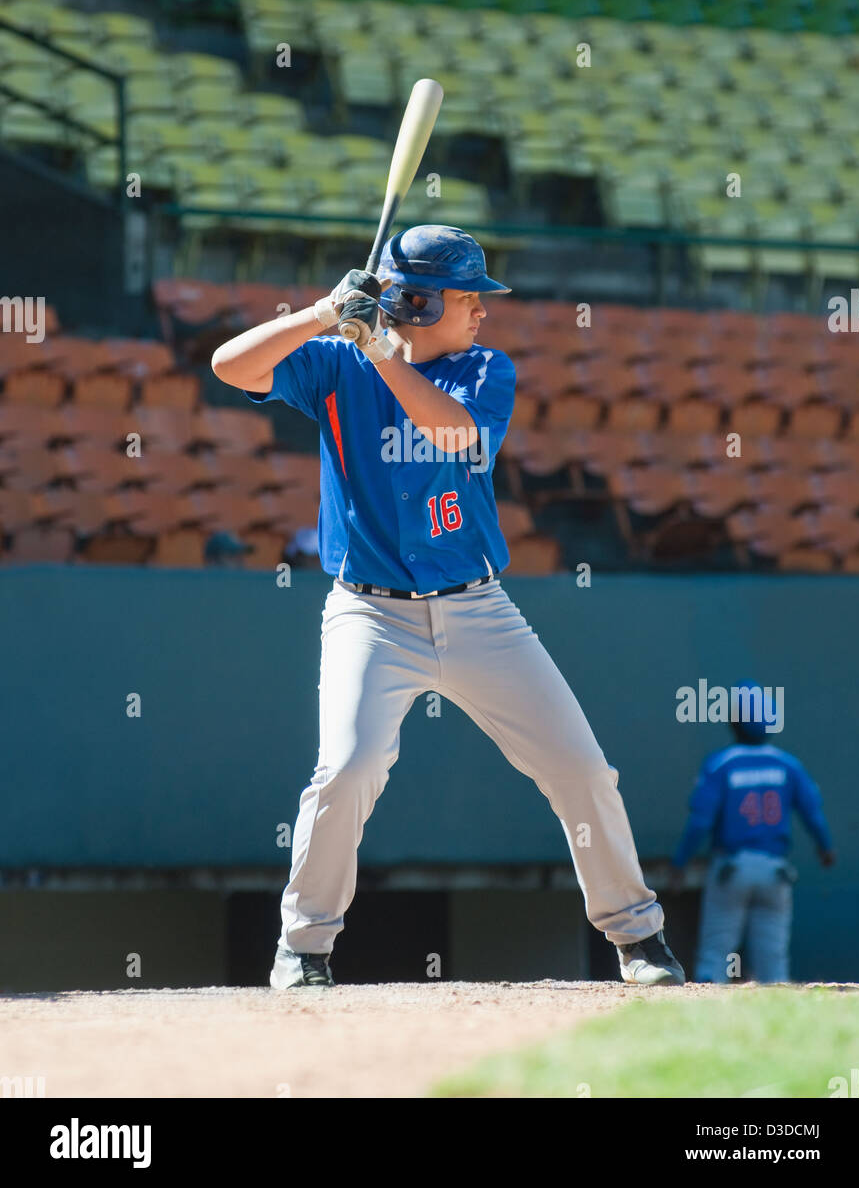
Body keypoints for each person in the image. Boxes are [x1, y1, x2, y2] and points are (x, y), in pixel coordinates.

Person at [212, 224, 685, 988]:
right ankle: (302, 948)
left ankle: (638, 939)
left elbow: (456, 435)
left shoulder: (483, 369)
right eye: (468, 298)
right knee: (347, 767)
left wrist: (381, 349)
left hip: (478, 612)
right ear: (418, 302)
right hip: (369, 614)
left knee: (581, 768)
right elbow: (227, 366)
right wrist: (325, 314)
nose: (482, 311)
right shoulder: (334, 363)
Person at [670, 679, 835, 983]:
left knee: (715, 957)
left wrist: (680, 863)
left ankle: (707, 1022)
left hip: (732, 870)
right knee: (773, 964)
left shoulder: (721, 764)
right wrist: (825, 848)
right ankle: (779, 1025)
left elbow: (700, 822)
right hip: (775, 871)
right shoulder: (787, 764)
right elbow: (813, 813)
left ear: (733, 722)